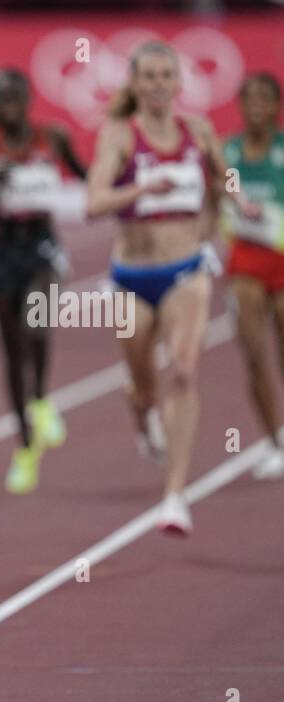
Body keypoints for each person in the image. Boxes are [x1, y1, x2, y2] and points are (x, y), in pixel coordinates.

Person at [86, 40, 259, 535]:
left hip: (187, 268)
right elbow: (94, 202)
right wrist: (142, 188)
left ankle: (175, 496)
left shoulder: (197, 130)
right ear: (135, 85)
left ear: (179, 85)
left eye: (167, 76)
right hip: (131, 278)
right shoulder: (120, 135)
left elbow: (223, 174)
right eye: (150, 77)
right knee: (144, 385)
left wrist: (240, 201)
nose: (160, 85)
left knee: (182, 372)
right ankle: (142, 414)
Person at [0, 68, 88, 494]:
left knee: (37, 321)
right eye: (1, 97)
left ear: (28, 99)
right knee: (11, 355)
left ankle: (44, 401)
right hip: (4, 250)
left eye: (15, 96)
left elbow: (88, 177)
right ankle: (26, 446)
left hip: (43, 244)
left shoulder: (53, 137)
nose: (8, 104)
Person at [224, 71, 284, 479]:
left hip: (283, 262)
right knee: (254, 352)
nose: (257, 107)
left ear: (278, 107)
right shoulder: (229, 153)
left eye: (266, 99)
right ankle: (274, 441)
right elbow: (218, 196)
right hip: (245, 261)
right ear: (241, 106)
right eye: (250, 99)